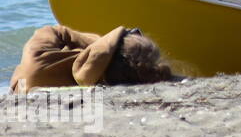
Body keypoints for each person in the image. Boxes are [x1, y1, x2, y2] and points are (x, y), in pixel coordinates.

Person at [10, 24, 174, 93]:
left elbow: (54, 30)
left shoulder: (38, 56)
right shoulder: (109, 80)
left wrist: (101, 44)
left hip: (23, 88)